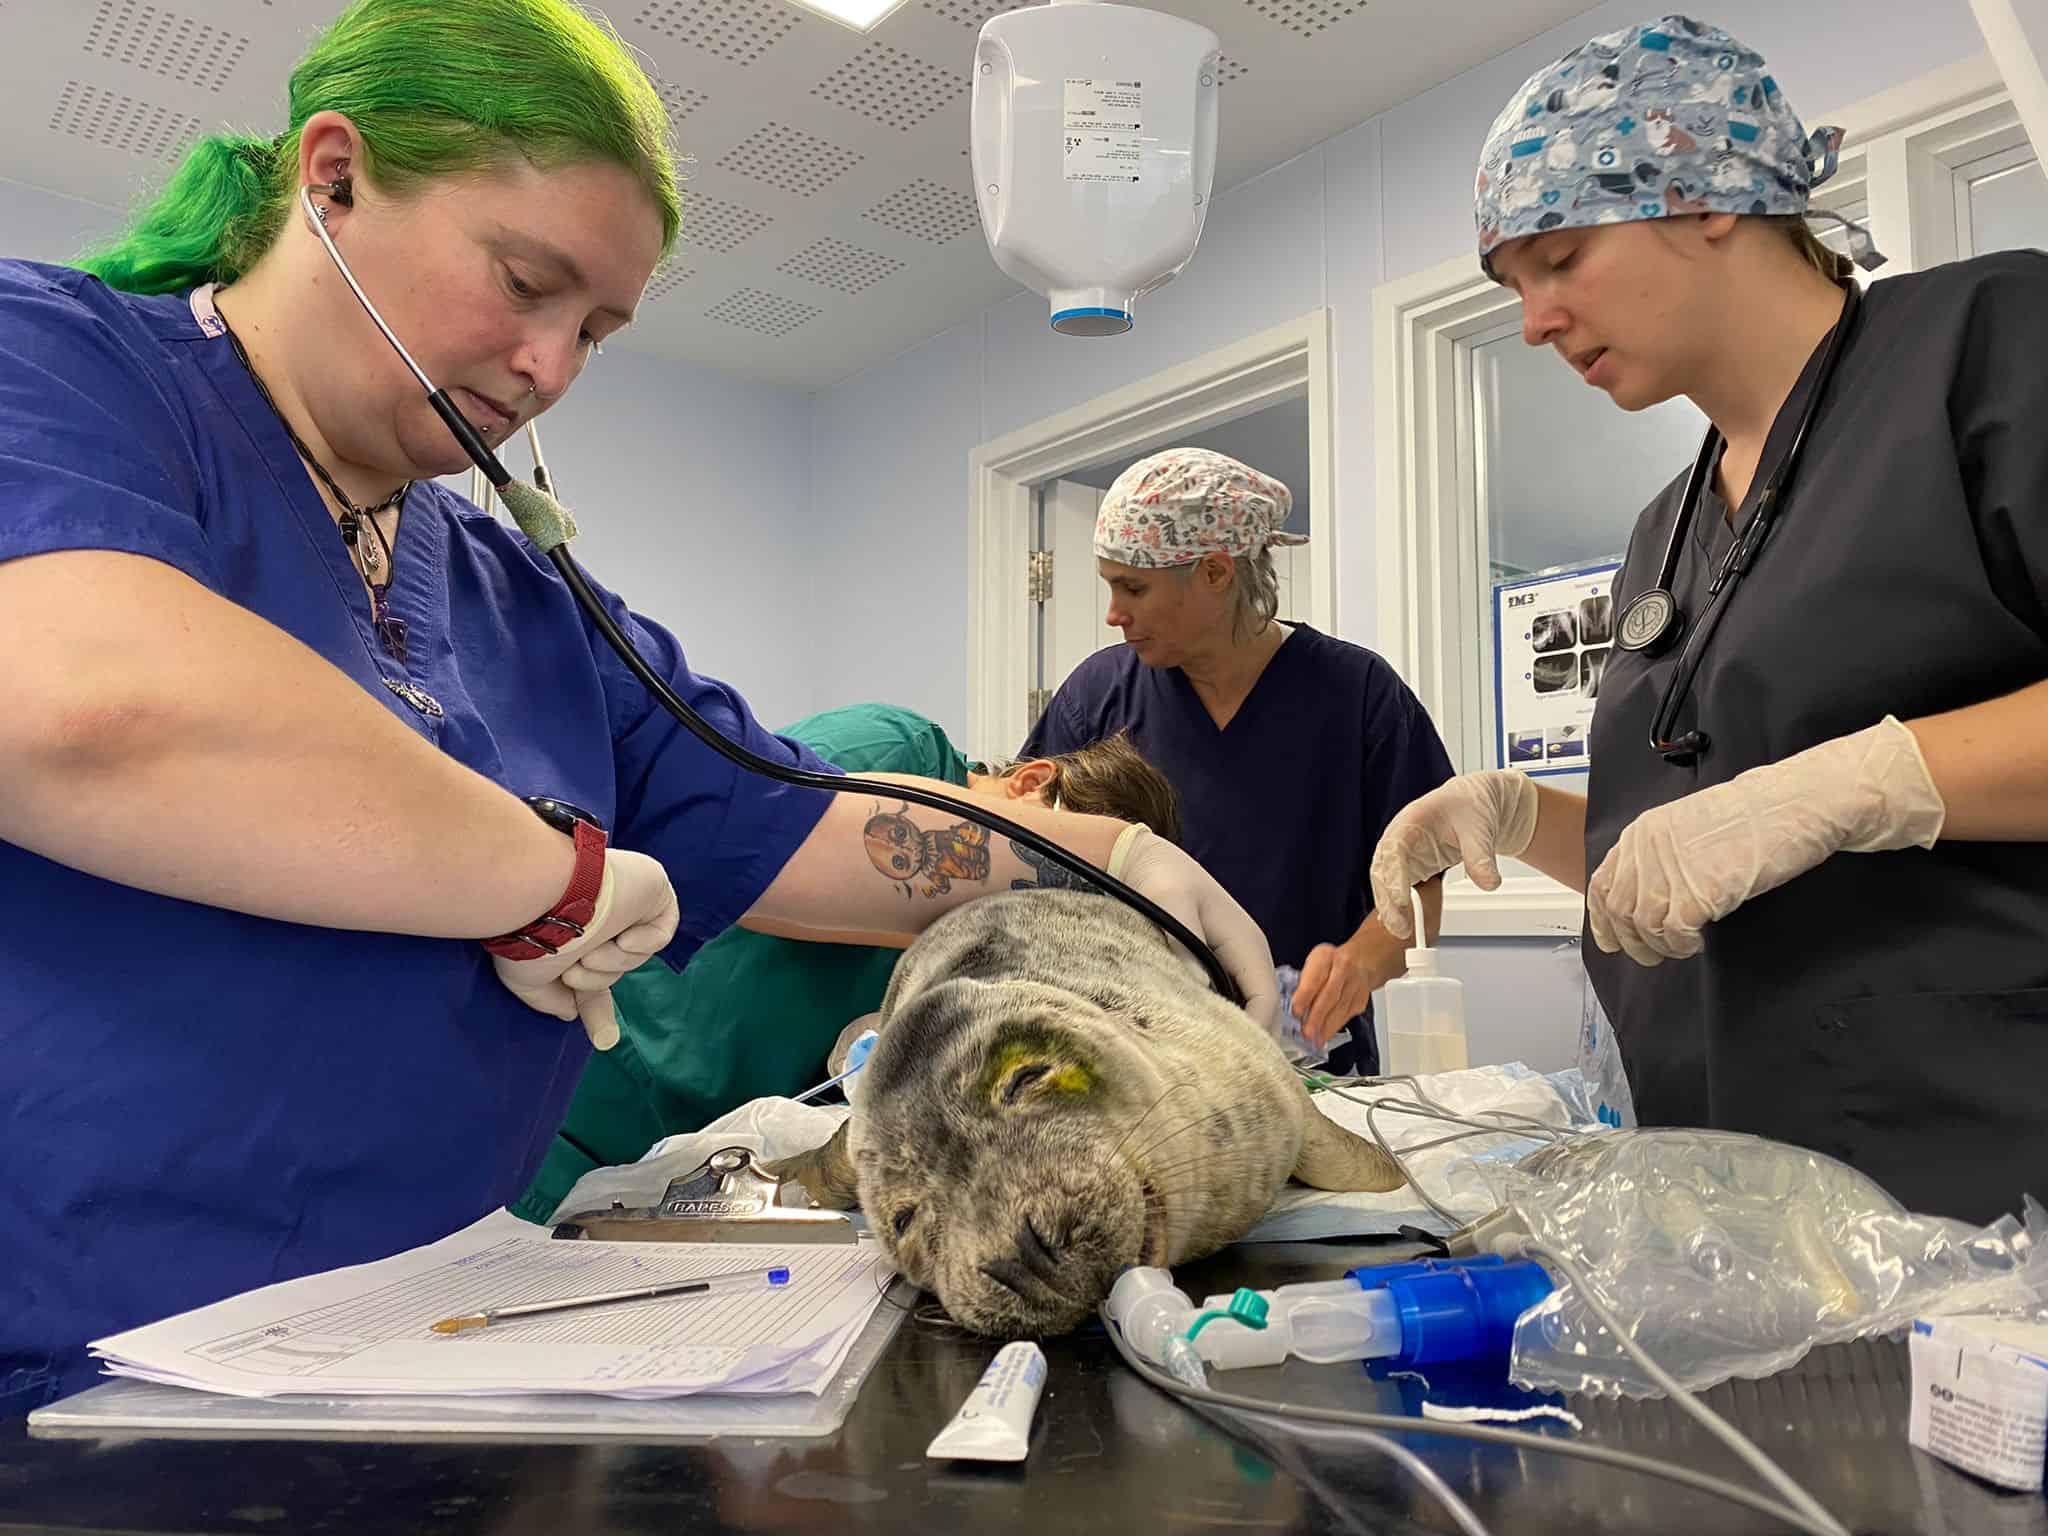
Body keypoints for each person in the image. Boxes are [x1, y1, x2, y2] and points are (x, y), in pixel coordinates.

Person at [0, 0, 1275, 1414]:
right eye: (526, 285)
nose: (551, 367)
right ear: (336, 174)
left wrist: (1116, 868)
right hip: (80, 1377)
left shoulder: (518, 598)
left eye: (597, 329)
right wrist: (543, 880)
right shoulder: (59, 369)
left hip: (429, 1354)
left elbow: (789, 815)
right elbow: (85, 702)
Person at [1371, 14, 2048, 1223]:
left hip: (1984, 1173)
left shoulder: (1994, 343)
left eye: (1560, 258)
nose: (1531, 323)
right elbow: (1698, 843)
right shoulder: (1666, 527)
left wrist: (1855, 782)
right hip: (1738, 1190)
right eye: (1510, 287)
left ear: (1704, 198)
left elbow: (1785, 807)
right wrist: (1520, 818)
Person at [513, 708, 1183, 1222]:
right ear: (1032, 782)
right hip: (564, 1061)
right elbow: (743, 846)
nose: (1034, 911)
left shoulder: (965, 956)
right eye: (1050, 880)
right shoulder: (898, 749)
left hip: (653, 1170)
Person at [1021, 448, 1456, 1074]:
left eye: (1133, 587)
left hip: (1309, 1063)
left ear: (1216, 573)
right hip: (1135, 1061)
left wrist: (1357, 964)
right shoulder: (1098, 697)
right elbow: (1027, 855)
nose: (1115, 613)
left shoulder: (1357, 693)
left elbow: (1421, 888)